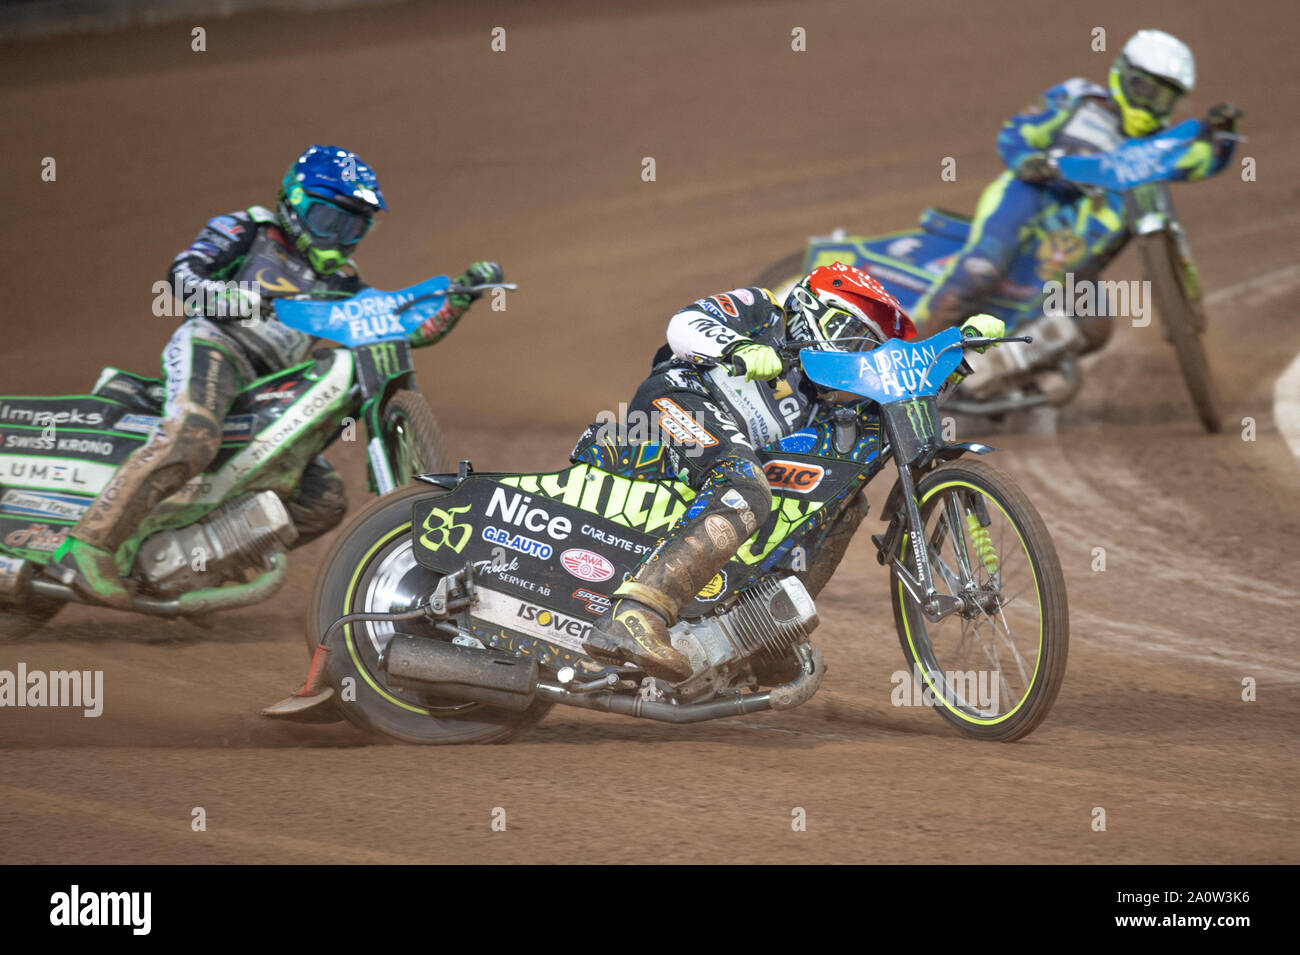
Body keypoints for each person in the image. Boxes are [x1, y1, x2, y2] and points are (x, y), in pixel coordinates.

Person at [49, 144, 502, 607]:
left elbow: (396, 327)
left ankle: (185, 567)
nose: (340, 237)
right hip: (218, 348)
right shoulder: (248, 229)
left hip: (273, 387)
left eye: (353, 226)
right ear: (294, 204)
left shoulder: (344, 280)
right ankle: (87, 546)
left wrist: (457, 300)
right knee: (193, 434)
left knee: (321, 498)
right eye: (330, 221)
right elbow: (182, 275)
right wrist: (228, 297)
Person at [580, 263, 1003, 681]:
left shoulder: (829, 394)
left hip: (730, 448)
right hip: (676, 401)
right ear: (814, 310)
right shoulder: (764, 311)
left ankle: (762, 636)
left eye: (868, 348)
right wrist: (738, 348)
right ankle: (636, 614)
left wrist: (960, 353)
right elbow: (686, 323)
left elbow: (903, 402)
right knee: (744, 486)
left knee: (844, 501)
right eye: (851, 336)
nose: (857, 354)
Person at [912, 29, 1240, 330]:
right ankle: (911, 354)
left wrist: (1221, 137)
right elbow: (1016, 131)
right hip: (1033, 195)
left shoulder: (1159, 149)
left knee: (1094, 325)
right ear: (1123, 74)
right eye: (1144, 88)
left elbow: (1200, 163)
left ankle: (1006, 376)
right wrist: (1027, 160)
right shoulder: (1078, 98)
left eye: (1163, 97)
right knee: (980, 271)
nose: (1149, 103)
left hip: (1079, 248)